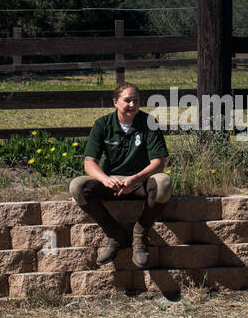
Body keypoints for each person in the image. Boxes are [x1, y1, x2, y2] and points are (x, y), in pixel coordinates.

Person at [70, 82, 172, 269]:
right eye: (127, 101)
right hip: (111, 183)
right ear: (115, 102)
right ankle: (114, 235)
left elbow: (158, 163)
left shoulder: (149, 123)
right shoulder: (102, 124)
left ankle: (140, 236)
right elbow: (89, 162)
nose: (132, 105)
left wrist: (134, 179)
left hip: (140, 181)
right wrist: (105, 179)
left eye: (136, 101)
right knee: (77, 187)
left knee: (164, 183)